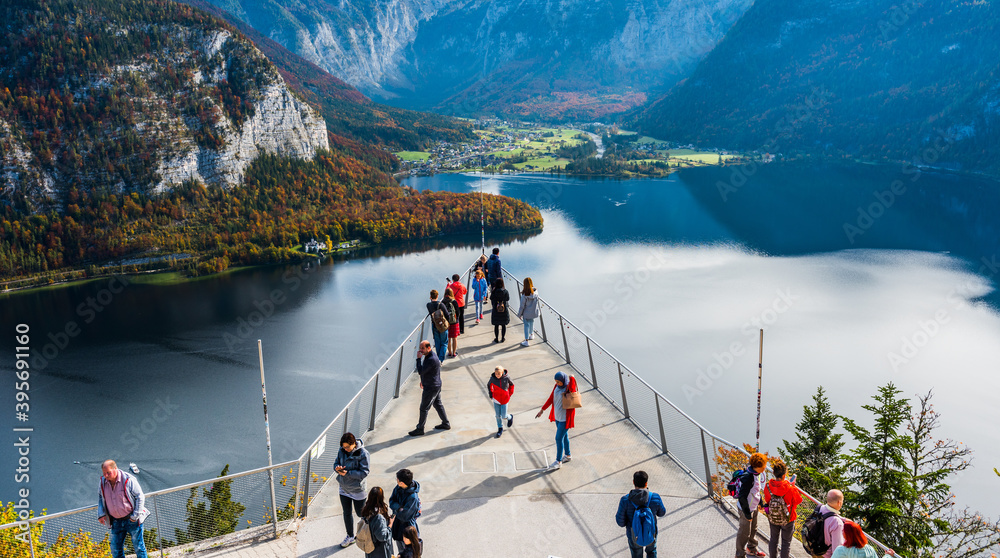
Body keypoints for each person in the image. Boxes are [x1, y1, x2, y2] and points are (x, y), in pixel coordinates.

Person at [97, 459, 150, 558]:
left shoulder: (128, 480)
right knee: (115, 549)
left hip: (132, 519)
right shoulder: (102, 483)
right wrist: (101, 514)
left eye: (108, 473)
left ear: (115, 468)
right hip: (116, 521)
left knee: (139, 547)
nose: (106, 476)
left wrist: (135, 516)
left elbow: (140, 497)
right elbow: (101, 497)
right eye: (104, 473)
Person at [615, 470, 667, 558]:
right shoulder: (655, 497)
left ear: (633, 482)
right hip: (651, 532)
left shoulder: (625, 500)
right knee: (651, 551)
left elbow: (620, 523)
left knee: (636, 554)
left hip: (634, 535)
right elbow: (662, 513)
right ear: (646, 483)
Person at [335, 432, 371, 547]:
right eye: (343, 447)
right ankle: (350, 536)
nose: (345, 449)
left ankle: (369, 533)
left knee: (362, 513)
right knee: (346, 513)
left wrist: (348, 473)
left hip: (357, 489)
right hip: (344, 487)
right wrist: (337, 468)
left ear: (353, 444)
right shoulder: (341, 451)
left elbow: (364, 472)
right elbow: (336, 462)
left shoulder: (363, 453)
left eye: (347, 447)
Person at [535, 371, 578, 469]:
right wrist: (542, 410)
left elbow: (572, 387)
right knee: (564, 436)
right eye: (556, 381)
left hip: (565, 419)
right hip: (558, 417)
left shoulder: (568, 388)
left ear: (564, 380)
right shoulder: (556, 387)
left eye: (559, 382)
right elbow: (551, 399)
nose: (557, 383)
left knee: (558, 438)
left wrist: (572, 378)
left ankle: (558, 461)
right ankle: (568, 455)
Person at [761, 458, 802, 558]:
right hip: (788, 519)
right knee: (786, 543)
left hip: (773, 517)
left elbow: (767, 500)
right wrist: (793, 486)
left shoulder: (768, 486)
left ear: (774, 473)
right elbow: (798, 500)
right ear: (784, 475)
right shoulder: (790, 488)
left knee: (773, 540)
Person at [409, 341, 450, 436]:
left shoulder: (431, 359)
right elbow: (427, 372)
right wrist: (423, 381)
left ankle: (420, 429)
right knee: (438, 404)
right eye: (420, 348)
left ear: (428, 348)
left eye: (422, 348)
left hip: (431, 387)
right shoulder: (430, 356)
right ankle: (446, 423)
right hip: (435, 384)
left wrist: (418, 359)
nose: (420, 350)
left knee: (424, 408)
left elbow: (420, 371)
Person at [735, 452, 767, 558]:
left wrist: (761, 502)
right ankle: (739, 555)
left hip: (753, 507)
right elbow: (742, 497)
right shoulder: (748, 478)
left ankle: (752, 549)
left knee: (754, 529)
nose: (765, 467)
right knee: (744, 533)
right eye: (764, 465)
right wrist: (747, 514)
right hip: (746, 509)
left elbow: (756, 491)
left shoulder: (756, 474)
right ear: (758, 466)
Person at [389, 469, 421, 556]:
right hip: (398, 525)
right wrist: (400, 508)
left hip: (407, 527)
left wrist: (396, 509)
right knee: (400, 548)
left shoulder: (412, 497)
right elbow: (391, 501)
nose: (396, 480)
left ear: (402, 482)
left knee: (408, 551)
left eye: (397, 479)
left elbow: (405, 516)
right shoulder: (398, 488)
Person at [361, 486, 393, 558]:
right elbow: (382, 536)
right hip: (379, 551)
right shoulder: (378, 517)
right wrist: (390, 524)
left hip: (369, 547)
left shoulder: (366, 510)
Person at [487, 366, 515, 438]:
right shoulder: (492, 379)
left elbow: (512, 384)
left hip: (505, 399)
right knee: (497, 415)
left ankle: (510, 417)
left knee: (504, 416)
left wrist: (510, 393)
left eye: (499, 374)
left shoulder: (507, 378)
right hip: (496, 399)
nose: (497, 375)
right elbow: (489, 385)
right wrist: (491, 394)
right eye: (496, 374)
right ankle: (500, 428)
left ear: (502, 373)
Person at [820, 489, 847, 558]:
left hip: (816, 550)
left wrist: (843, 519)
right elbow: (837, 550)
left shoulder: (820, 508)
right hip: (826, 555)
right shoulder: (837, 523)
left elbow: (829, 514)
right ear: (839, 503)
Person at [425, 290, 449, 361]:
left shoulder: (428, 305)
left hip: (434, 325)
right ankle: (441, 359)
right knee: (444, 343)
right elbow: (447, 315)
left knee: (437, 343)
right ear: (437, 296)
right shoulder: (441, 305)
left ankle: (438, 359)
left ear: (430, 296)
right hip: (442, 326)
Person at [517, 277, 540, 347]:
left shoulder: (524, 295)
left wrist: (519, 314)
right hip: (533, 312)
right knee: (532, 322)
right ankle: (532, 334)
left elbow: (522, 306)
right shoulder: (536, 292)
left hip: (526, 313)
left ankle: (526, 341)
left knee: (526, 325)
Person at [490, 277, 510, 343]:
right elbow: (507, 299)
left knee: (496, 325)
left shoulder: (494, 291)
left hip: (496, 309)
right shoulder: (505, 291)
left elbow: (491, 298)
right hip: (503, 309)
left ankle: (496, 338)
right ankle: (503, 338)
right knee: (503, 325)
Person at [443, 288, 461, 358]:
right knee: (454, 338)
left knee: (448, 338)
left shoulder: (443, 302)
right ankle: (454, 353)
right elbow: (458, 312)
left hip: (446, 323)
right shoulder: (454, 301)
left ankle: (449, 352)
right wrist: (456, 319)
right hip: (454, 322)